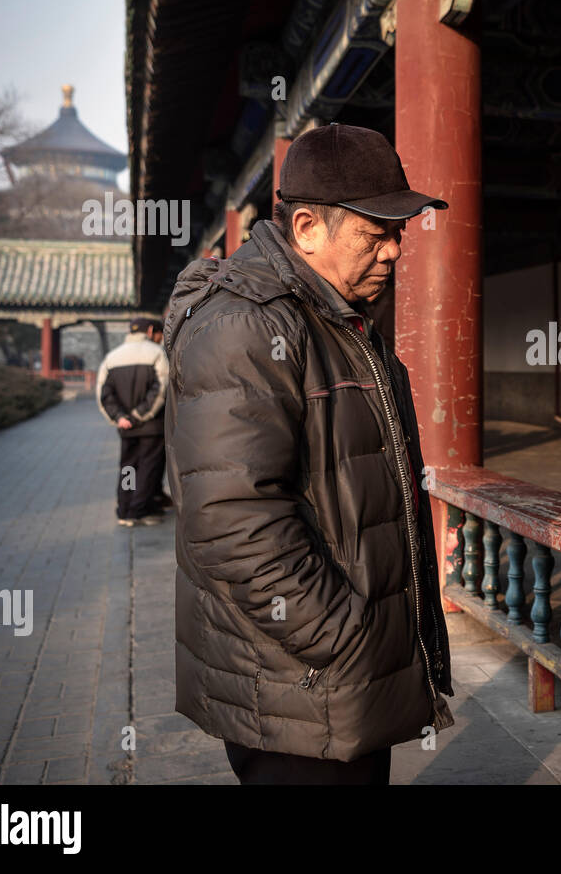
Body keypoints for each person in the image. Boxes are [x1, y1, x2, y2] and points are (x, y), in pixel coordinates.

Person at [163, 125, 454, 784]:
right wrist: (345, 638)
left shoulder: (338, 315)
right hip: (298, 683)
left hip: (334, 681)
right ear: (306, 227)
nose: (394, 250)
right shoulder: (248, 324)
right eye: (374, 233)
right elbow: (232, 522)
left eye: (399, 232)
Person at [95, 315, 168, 527]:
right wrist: (139, 415)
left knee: (128, 467)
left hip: (125, 427)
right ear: (151, 331)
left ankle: (124, 509)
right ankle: (139, 510)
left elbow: (104, 393)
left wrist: (120, 417)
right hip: (150, 426)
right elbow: (160, 389)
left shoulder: (112, 357)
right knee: (148, 468)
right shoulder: (157, 354)